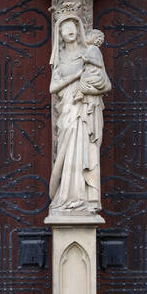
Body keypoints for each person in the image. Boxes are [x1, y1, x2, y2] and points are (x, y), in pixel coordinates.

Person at [48, 15, 110, 215]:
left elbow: (106, 84)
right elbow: (53, 87)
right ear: (60, 35)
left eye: (73, 26)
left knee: (85, 151)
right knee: (67, 152)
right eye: (65, 28)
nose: (70, 30)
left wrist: (86, 88)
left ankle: (83, 198)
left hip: (85, 111)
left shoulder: (90, 53)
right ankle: (65, 196)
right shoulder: (61, 58)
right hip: (67, 110)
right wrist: (77, 75)